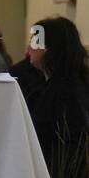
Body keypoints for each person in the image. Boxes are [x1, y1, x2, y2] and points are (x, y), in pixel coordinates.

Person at [9, 16, 89, 165]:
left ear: (50, 47)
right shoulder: (53, 85)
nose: (29, 48)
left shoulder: (66, 91)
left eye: (34, 41)